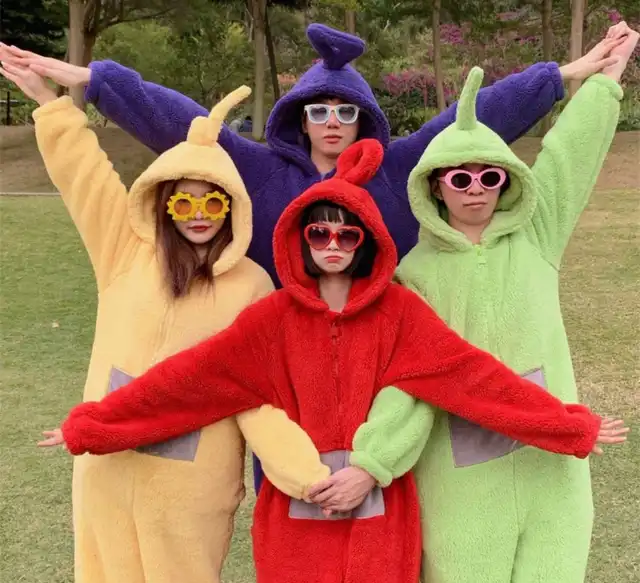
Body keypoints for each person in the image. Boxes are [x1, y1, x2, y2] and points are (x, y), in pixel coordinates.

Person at [0, 22, 619, 491]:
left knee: (382, 490)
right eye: (318, 110)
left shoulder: (395, 169)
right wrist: (95, 80)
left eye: (346, 111)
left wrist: (563, 75)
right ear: (299, 116)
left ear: (362, 118)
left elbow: (473, 119)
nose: (332, 122)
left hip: (380, 359)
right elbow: (184, 123)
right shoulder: (260, 170)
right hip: (289, 363)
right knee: (294, 486)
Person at [41, 139, 623, 583]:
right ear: (301, 238)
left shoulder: (401, 314)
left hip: (382, 514)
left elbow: (475, 379)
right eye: (320, 233)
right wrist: (94, 425)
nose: (334, 246)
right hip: (295, 514)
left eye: (348, 235)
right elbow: (184, 383)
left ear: (367, 239)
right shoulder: (269, 322)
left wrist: (567, 426)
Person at [315, 24, 636, 583]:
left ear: (507, 179)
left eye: (490, 176)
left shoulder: (537, 237)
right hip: (461, 479)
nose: (476, 190)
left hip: (551, 470)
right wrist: (374, 461)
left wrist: (606, 80)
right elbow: (408, 381)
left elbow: (568, 157)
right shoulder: (414, 277)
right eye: (459, 178)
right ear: (436, 185)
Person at [0, 58, 331, 583]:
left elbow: (257, 395)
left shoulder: (253, 286)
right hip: (107, 465)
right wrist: (51, 106)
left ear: (232, 205)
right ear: (162, 203)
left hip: (191, 482)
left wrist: (304, 472)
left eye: (212, 203)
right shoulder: (125, 253)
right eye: (184, 203)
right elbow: (86, 178)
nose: (198, 216)